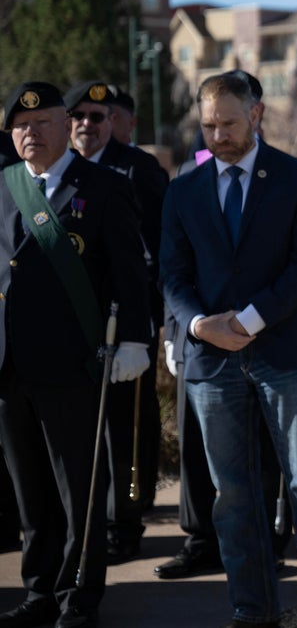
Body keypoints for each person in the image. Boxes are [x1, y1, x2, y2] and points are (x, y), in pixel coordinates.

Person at [161, 72, 297, 628]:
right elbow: (172, 274)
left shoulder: (295, 178)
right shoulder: (184, 187)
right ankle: (252, 610)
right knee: (232, 494)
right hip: (212, 362)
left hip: (282, 354)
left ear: (255, 114)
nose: (218, 135)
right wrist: (199, 324)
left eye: (228, 123)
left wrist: (250, 319)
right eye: (209, 125)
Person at [0, 82, 151, 628]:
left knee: (78, 490)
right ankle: (40, 589)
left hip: (71, 362)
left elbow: (130, 270)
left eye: (42, 122)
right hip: (9, 366)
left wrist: (134, 338)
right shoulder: (4, 186)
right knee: (30, 490)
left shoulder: (104, 186)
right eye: (20, 126)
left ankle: (78, 596)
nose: (30, 133)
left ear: (66, 126)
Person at [64, 80, 168, 563]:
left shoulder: (137, 168)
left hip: (126, 319)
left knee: (126, 428)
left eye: (98, 117)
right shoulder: (59, 171)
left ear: (113, 123)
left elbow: (155, 248)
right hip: (72, 326)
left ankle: (125, 521)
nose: (87, 124)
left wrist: (147, 324)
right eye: (79, 116)